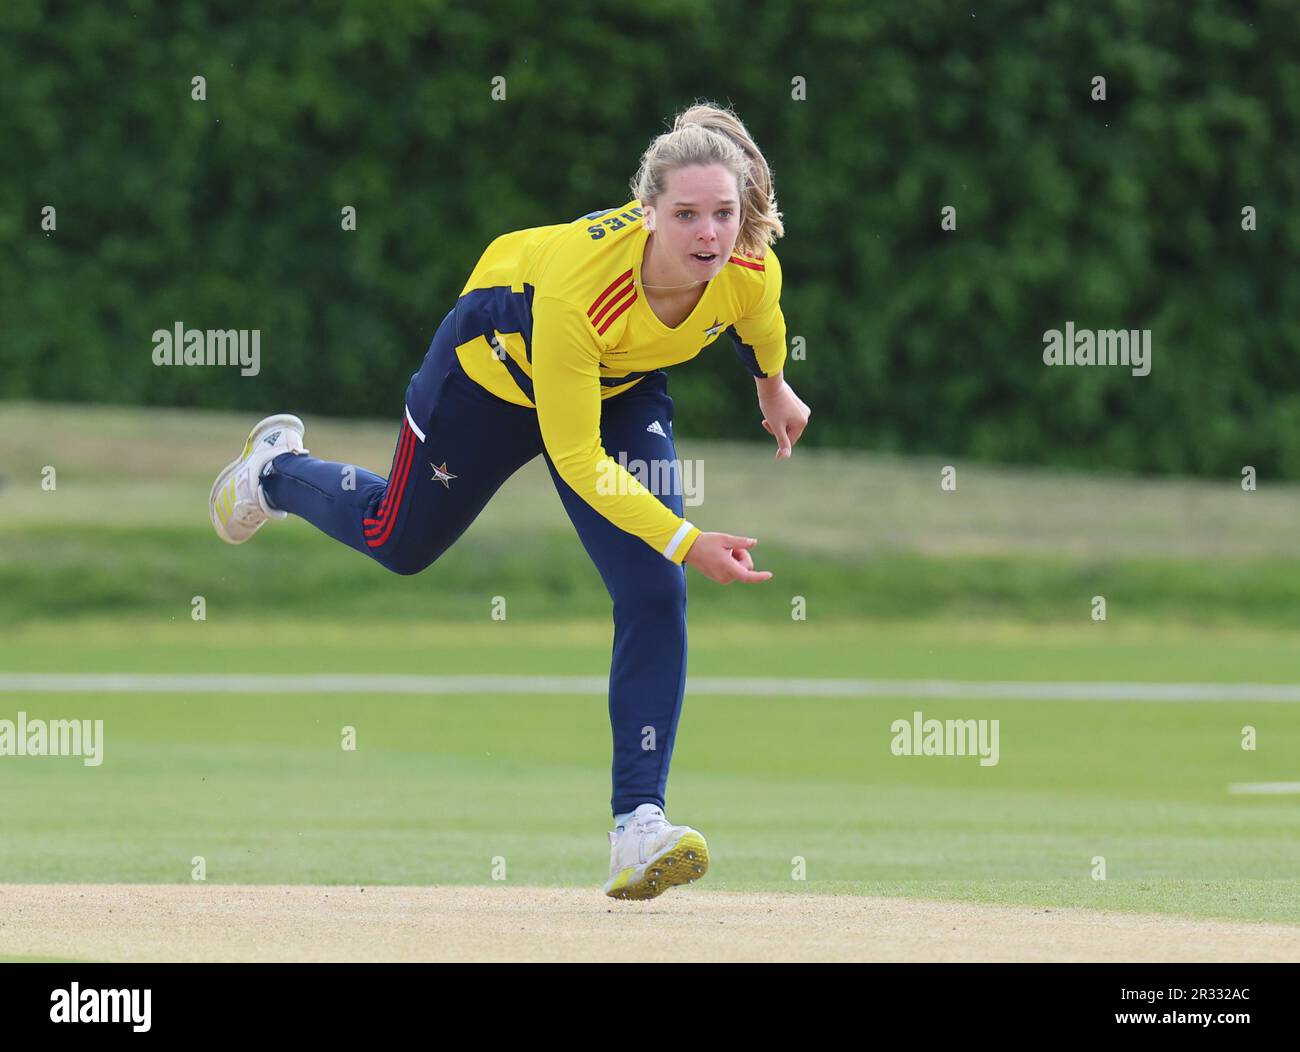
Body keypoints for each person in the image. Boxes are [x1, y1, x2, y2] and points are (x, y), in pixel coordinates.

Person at [208, 101, 811, 900]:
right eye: (686, 214)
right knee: (401, 541)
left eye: (724, 214)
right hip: (491, 373)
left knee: (654, 594)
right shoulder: (580, 291)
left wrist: (773, 387)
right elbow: (576, 455)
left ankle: (638, 828)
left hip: (618, 383)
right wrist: (686, 536)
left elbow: (762, 328)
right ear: (648, 212)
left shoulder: (746, 265)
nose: (708, 233)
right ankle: (277, 470)